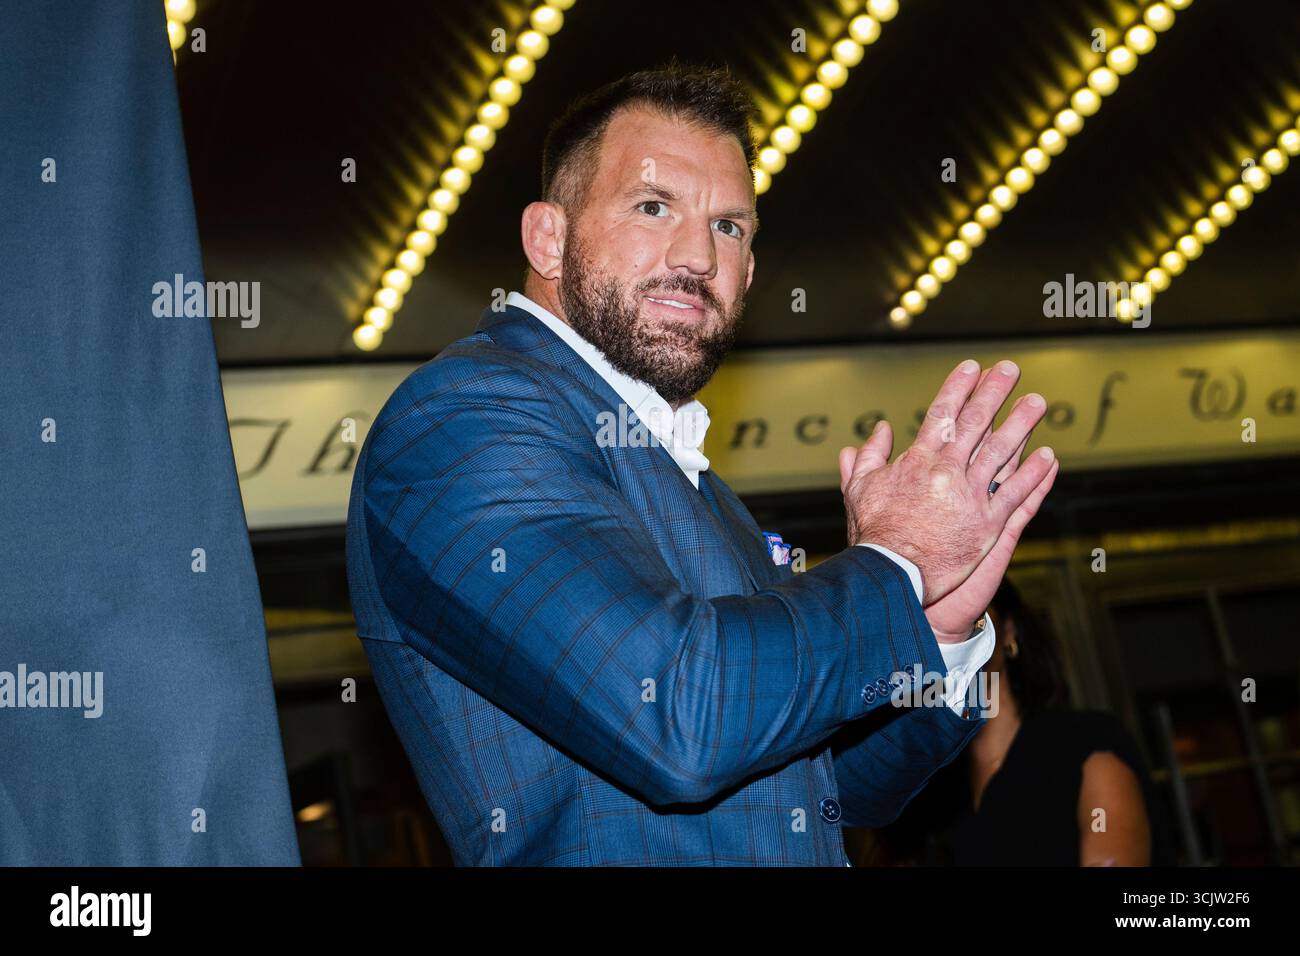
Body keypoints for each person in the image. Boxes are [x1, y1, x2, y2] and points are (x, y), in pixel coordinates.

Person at [345, 61, 1060, 866]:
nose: (698, 254)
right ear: (548, 237)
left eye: (730, 227)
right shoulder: (465, 415)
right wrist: (892, 566)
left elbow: (840, 786)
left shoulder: (699, 485)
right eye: (654, 206)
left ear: (751, 270)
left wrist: (936, 628)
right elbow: (678, 718)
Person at [945, 579, 1176, 866]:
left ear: (1008, 633)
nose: (953, 634)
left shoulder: (1085, 741)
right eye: (935, 625)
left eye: (972, 614)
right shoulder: (931, 789)